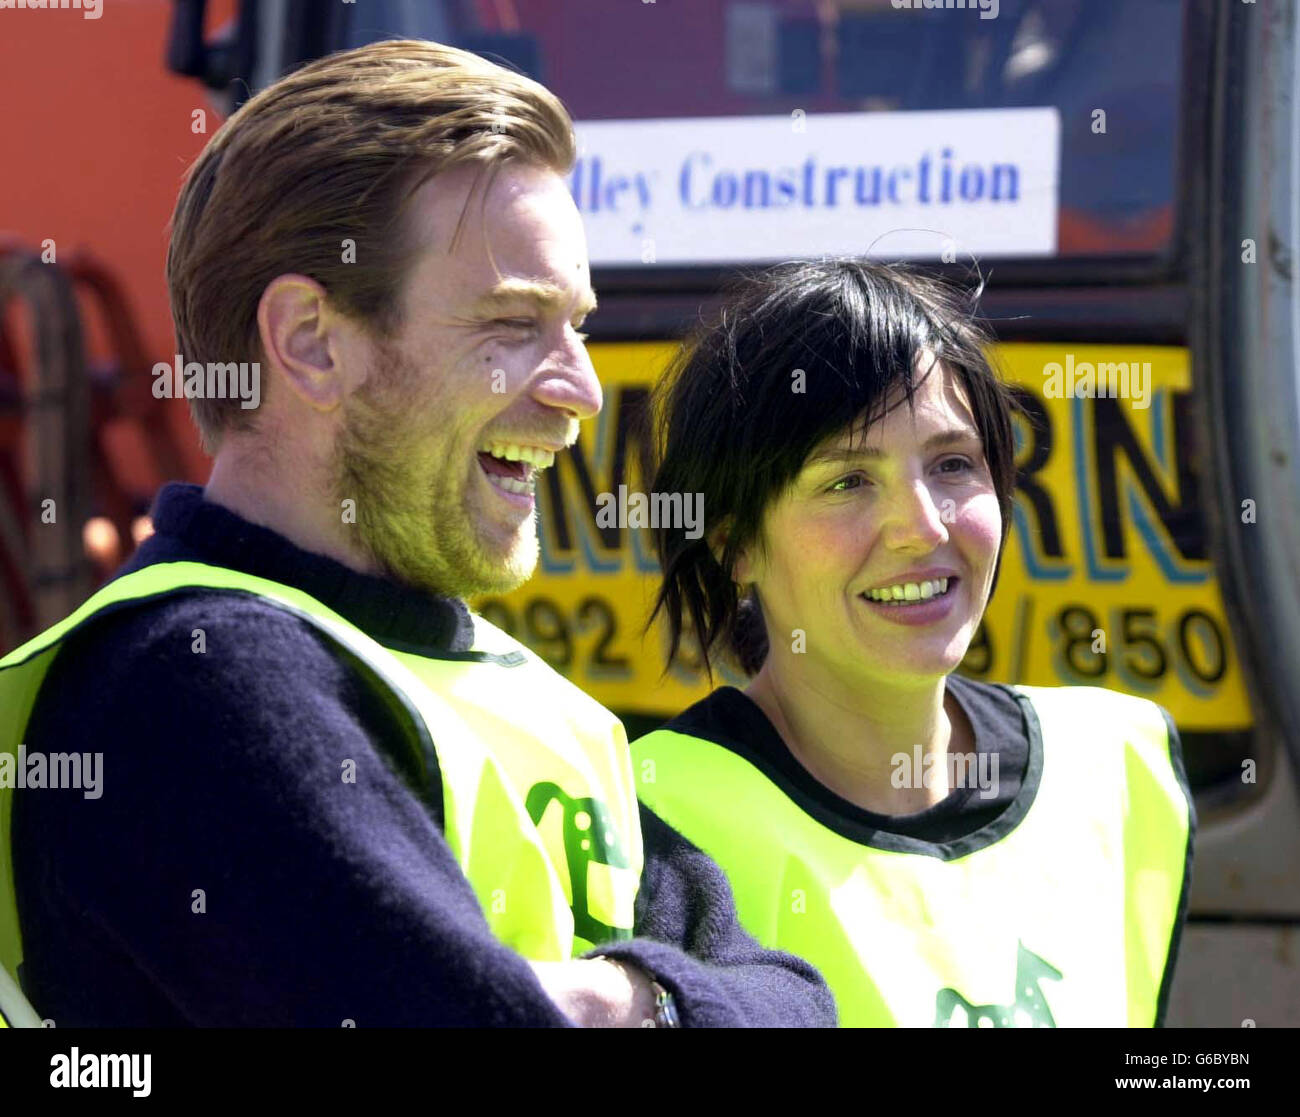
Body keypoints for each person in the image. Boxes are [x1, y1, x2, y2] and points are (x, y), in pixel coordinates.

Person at [0, 40, 835, 1028]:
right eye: (513, 326)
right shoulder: (192, 678)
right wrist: (666, 994)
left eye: (577, 326)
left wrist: (610, 1000)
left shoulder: (531, 702)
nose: (580, 390)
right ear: (311, 343)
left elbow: (796, 997)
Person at [632, 259, 1194, 1027]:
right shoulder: (646, 815)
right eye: (847, 480)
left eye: (953, 464)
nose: (923, 527)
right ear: (734, 544)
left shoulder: (1117, 765)